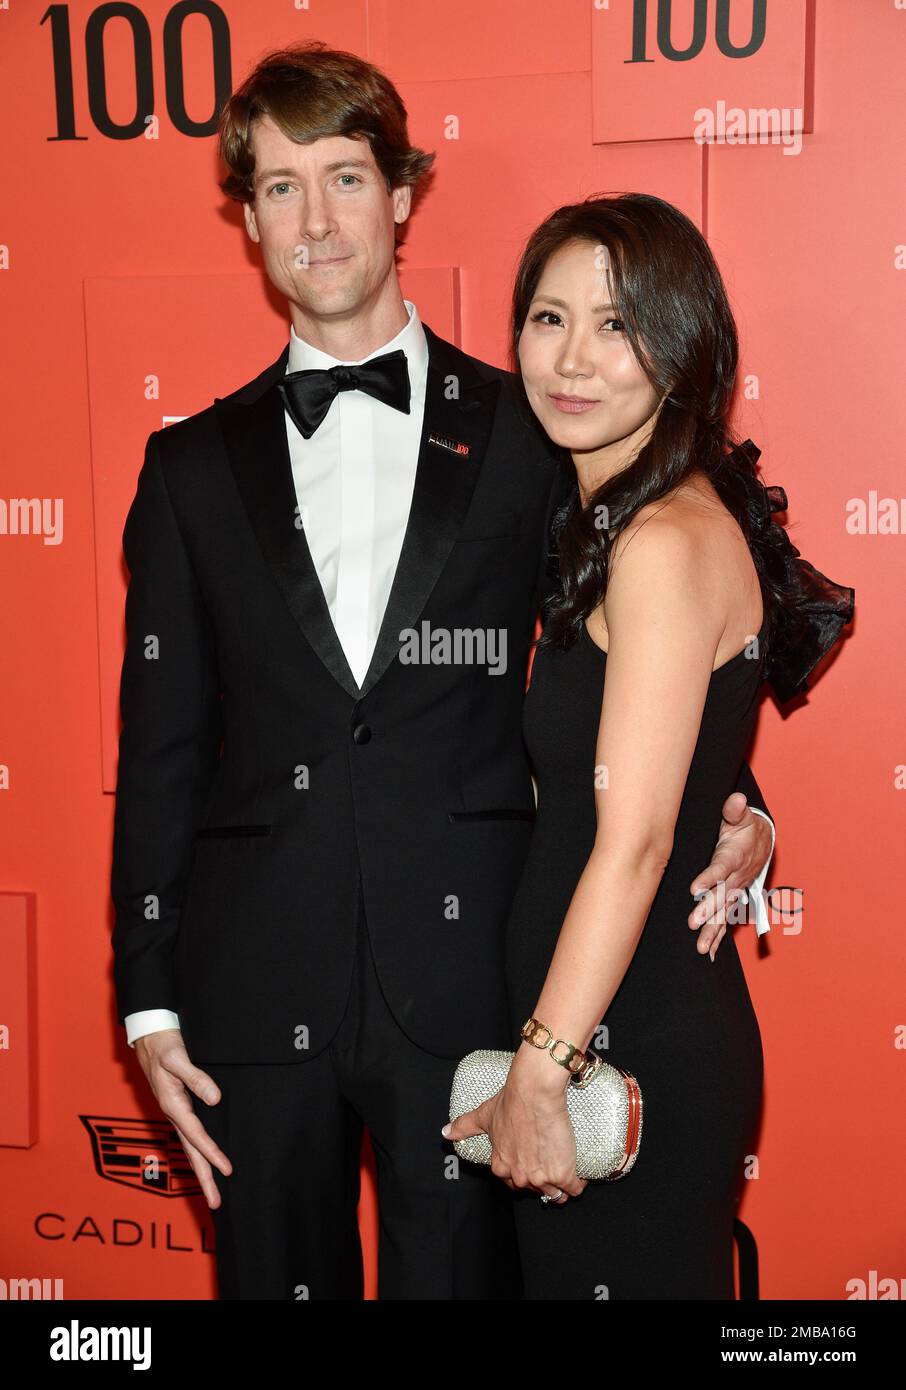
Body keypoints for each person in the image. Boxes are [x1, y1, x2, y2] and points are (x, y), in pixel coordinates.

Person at [110, 45, 776, 1301]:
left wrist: (740, 812)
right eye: (281, 187)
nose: (317, 221)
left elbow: (692, 639)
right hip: (256, 1000)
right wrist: (147, 1006)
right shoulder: (189, 468)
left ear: (403, 193)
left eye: (347, 177)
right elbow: (161, 747)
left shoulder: (539, 421)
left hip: (481, 993)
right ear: (248, 217)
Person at [445, 193, 854, 1299]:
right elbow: (680, 747)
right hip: (599, 1017)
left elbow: (633, 840)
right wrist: (754, 815)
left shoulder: (665, 541)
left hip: (628, 1036)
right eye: (547, 317)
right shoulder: (620, 519)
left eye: (619, 324)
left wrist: (541, 1067)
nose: (574, 357)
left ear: (681, 348)